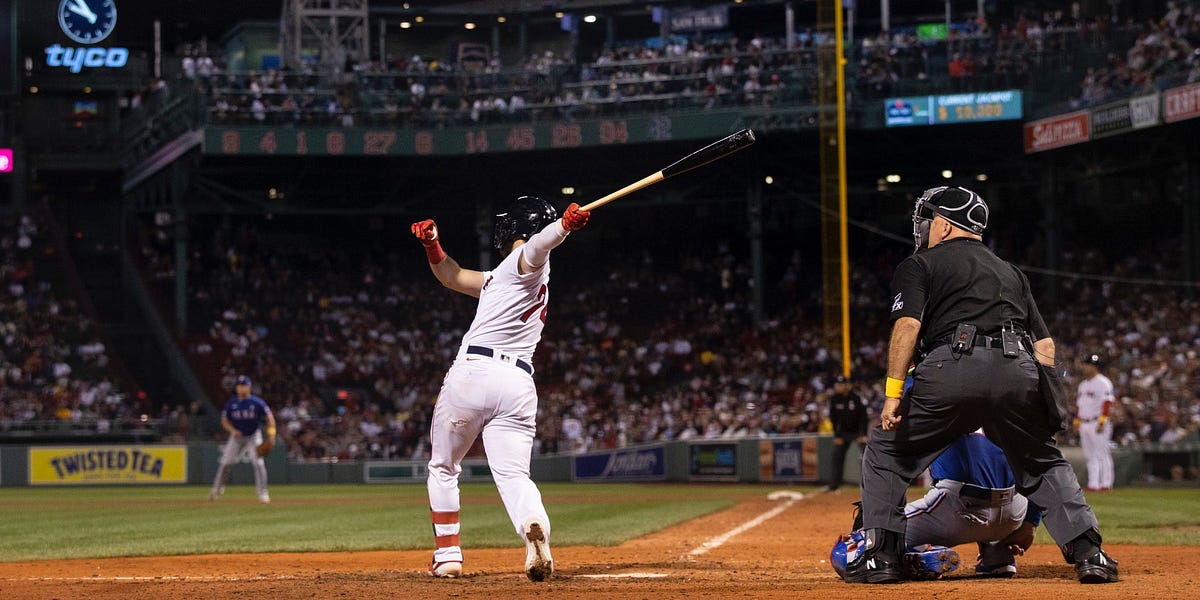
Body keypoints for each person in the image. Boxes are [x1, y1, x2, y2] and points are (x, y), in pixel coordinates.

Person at [844, 186, 1118, 585]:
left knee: (887, 452)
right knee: (1041, 461)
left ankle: (881, 559)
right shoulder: (1011, 271)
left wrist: (892, 394)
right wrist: (1045, 404)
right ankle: (1091, 555)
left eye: (927, 220)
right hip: (1018, 370)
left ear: (942, 224)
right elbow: (1045, 345)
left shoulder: (919, 264)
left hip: (952, 364)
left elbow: (907, 325)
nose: (923, 229)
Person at [412, 196, 590, 581]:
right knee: (514, 475)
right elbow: (452, 276)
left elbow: (538, 246)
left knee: (444, 466)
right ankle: (531, 527)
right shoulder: (504, 276)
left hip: (475, 373)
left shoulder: (526, 258)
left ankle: (447, 557)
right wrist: (432, 245)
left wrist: (562, 227)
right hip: (518, 385)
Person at [833, 431, 1044, 581]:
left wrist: (876, 518)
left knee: (850, 555)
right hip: (1014, 513)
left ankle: (920, 555)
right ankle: (997, 553)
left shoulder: (936, 394)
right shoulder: (1005, 394)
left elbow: (895, 463)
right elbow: (1040, 464)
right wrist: (1031, 523)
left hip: (957, 510)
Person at [208, 375, 276, 504]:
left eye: (243, 385)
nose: (241, 388)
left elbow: (270, 419)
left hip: (253, 435)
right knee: (225, 463)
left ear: (249, 387)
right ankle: (216, 489)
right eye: (239, 386)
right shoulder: (232, 403)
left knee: (258, 463)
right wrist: (232, 430)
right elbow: (224, 421)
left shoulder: (257, 402)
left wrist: (271, 435)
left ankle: (263, 493)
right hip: (237, 437)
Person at [1076, 353, 1115, 491]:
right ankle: (1094, 484)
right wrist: (1077, 422)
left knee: (1102, 453)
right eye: (1087, 364)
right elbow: (1079, 405)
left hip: (1097, 422)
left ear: (1095, 367)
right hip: (1084, 423)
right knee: (1090, 455)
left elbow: (1106, 403)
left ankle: (1106, 484)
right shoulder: (1083, 384)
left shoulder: (1103, 382)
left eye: (1089, 365)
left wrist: (1102, 422)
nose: (1086, 367)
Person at [827, 374, 868, 491]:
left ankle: (869, 484)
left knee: (866, 456)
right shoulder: (835, 399)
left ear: (848, 386)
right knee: (837, 456)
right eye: (838, 384)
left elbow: (863, 418)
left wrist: (863, 434)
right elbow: (833, 419)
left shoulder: (856, 398)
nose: (839, 387)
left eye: (842, 384)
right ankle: (834, 485)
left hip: (857, 432)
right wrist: (837, 436)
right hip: (842, 433)